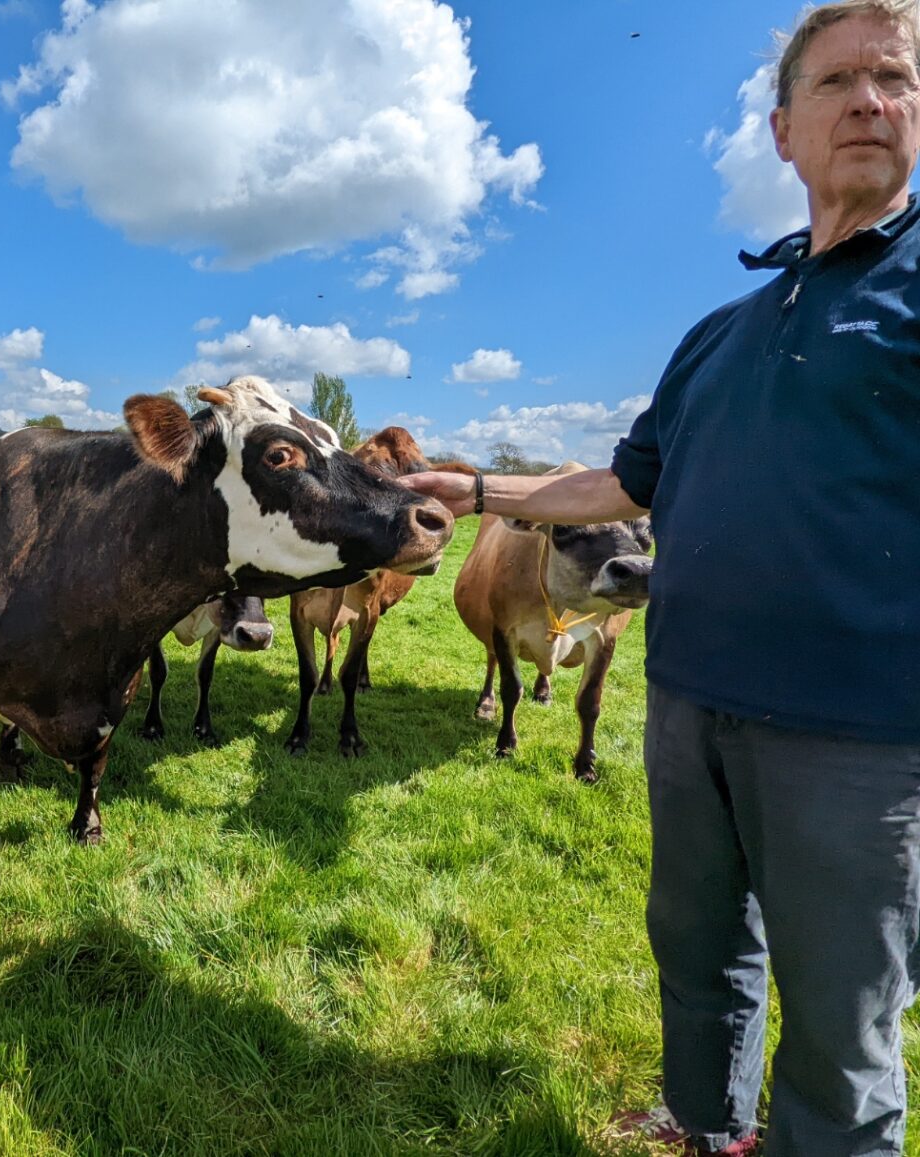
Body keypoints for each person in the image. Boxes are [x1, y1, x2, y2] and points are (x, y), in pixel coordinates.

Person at [400, 3, 920, 1154]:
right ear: (784, 130)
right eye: (839, 82)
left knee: (842, 1020)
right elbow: (619, 483)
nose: (871, 101)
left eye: (894, 77)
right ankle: (705, 1125)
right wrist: (478, 491)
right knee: (698, 944)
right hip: (687, 702)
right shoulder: (718, 333)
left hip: (863, 736)